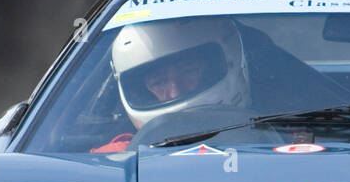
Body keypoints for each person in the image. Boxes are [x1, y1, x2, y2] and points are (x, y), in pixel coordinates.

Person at [91, 16, 251, 153]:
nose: (175, 92)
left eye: (188, 71)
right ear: (142, 90)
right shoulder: (118, 157)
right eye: (158, 82)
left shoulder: (273, 136)